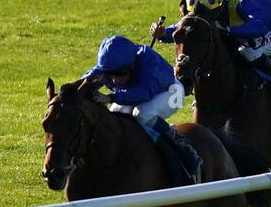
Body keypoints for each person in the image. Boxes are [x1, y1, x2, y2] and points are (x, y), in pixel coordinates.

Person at [154, 0, 271, 113]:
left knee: (248, 51)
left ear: (217, 8)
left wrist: (229, 32)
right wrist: (164, 33)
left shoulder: (244, 0)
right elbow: (191, 28)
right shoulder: (212, 3)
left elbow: (259, 27)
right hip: (250, 26)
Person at [84, 35, 200, 185]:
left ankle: (181, 145)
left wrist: (111, 97)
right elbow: (88, 79)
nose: (114, 80)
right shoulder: (112, 64)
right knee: (116, 118)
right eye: (110, 74)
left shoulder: (148, 60)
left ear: (132, 65)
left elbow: (144, 93)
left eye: (120, 74)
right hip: (138, 93)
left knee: (142, 114)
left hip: (170, 92)